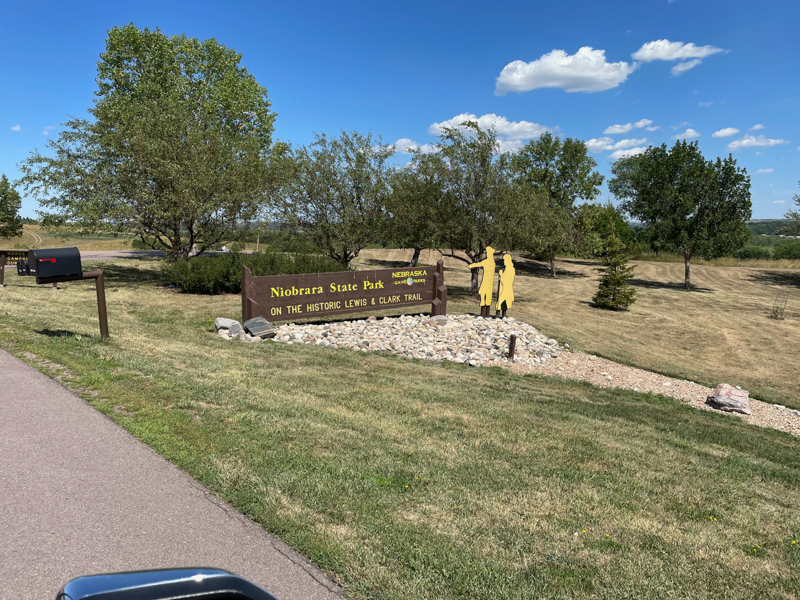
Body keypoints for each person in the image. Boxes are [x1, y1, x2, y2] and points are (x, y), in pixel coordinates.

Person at [468, 247, 495, 317]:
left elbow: (478, 264)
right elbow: (479, 264)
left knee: (484, 292)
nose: (487, 254)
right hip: (487, 280)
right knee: (483, 292)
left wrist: (472, 265)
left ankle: (485, 308)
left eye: (488, 253)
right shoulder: (490, 261)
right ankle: (484, 306)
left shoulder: (489, 261)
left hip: (488, 280)